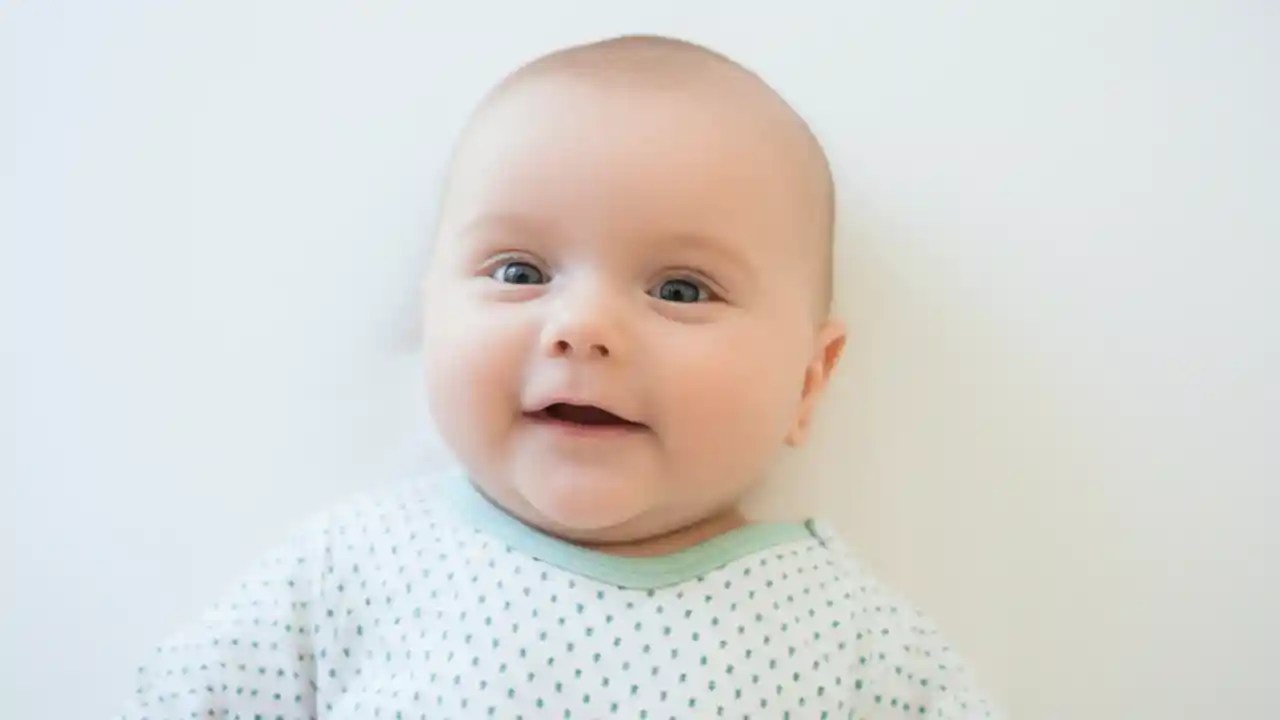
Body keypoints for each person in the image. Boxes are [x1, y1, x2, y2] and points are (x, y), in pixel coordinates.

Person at [117, 34, 999, 719]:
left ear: (809, 382)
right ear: (432, 322)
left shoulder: (848, 641)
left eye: (681, 288)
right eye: (518, 273)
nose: (581, 329)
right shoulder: (357, 565)